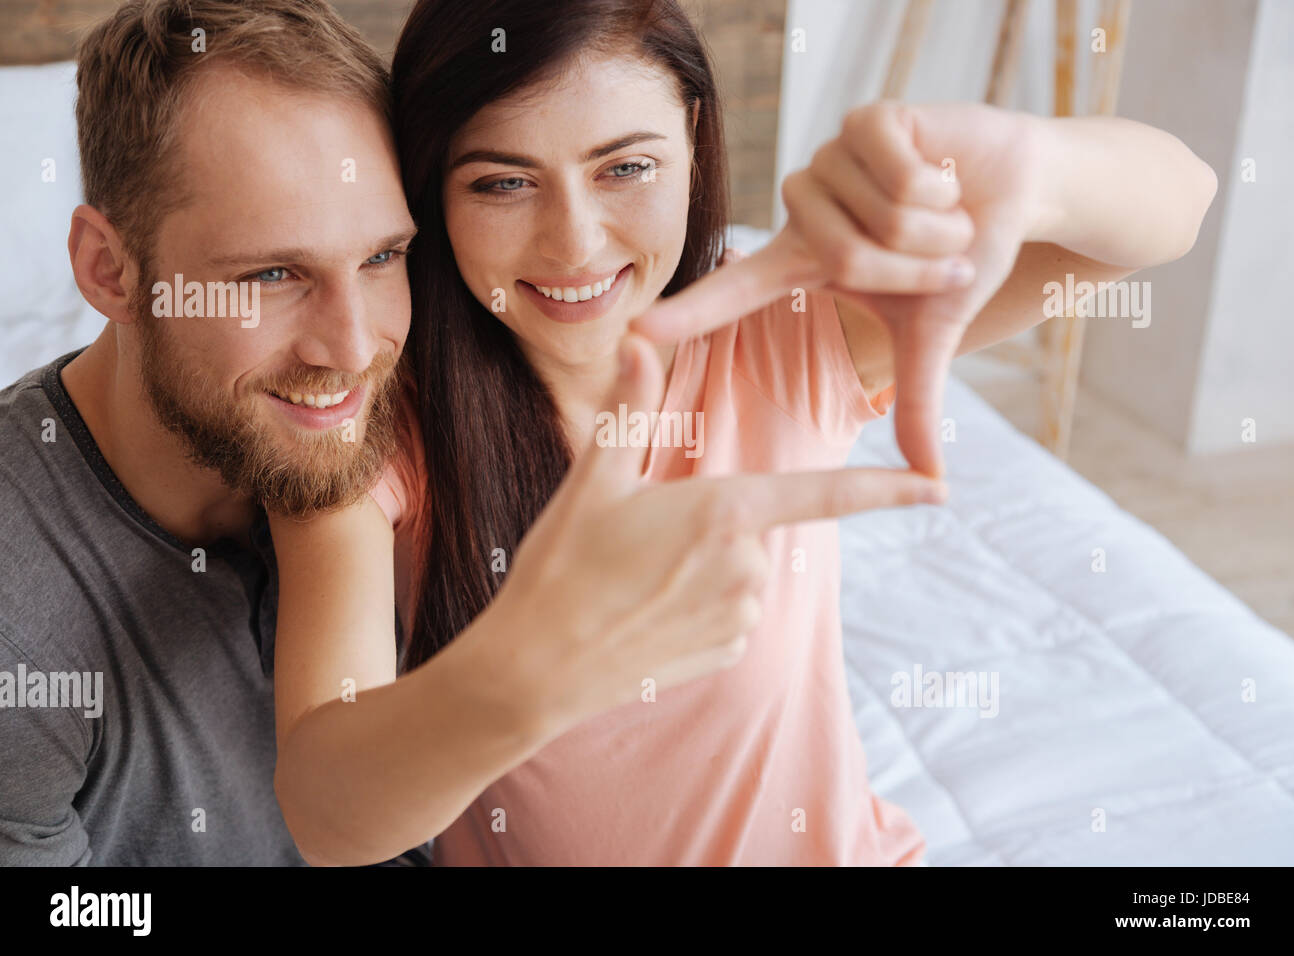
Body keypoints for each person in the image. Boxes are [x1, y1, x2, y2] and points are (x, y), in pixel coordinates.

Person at [269, 0, 1217, 865]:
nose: (575, 244)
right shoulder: (370, 423)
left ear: (693, 135)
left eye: (626, 168)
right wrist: (528, 669)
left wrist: (1034, 167)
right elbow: (325, 810)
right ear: (433, 193)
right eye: (503, 184)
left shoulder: (778, 329)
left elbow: (1172, 208)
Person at [0, 0, 936, 866]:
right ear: (108, 270)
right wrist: (528, 668)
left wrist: (1041, 170)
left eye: (381, 256)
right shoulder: (21, 620)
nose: (357, 348)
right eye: (271, 275)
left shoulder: (361, 435)